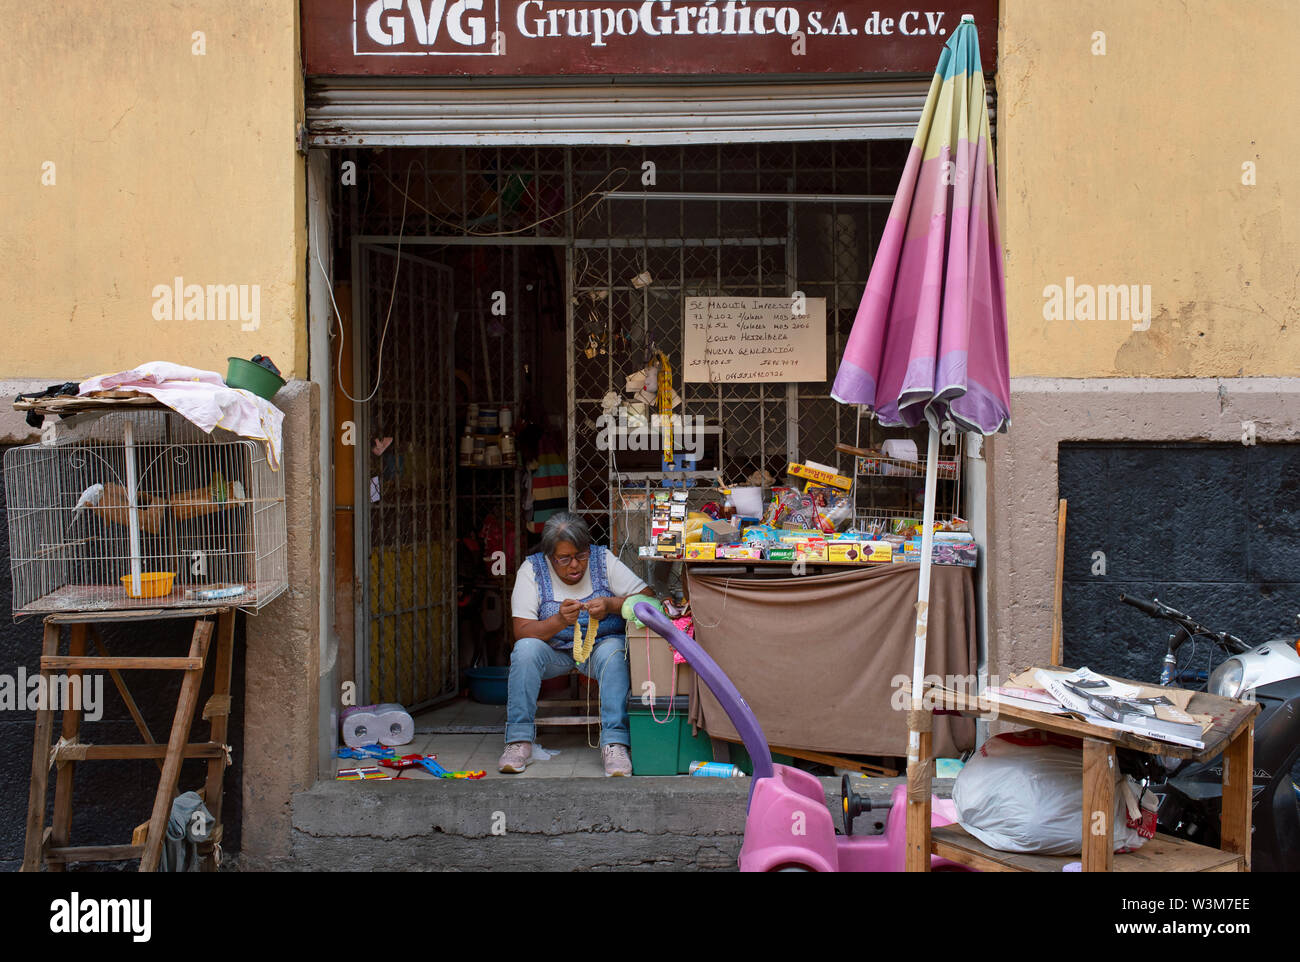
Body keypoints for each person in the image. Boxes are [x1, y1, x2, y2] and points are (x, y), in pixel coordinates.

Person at [500, 512, 653, 776]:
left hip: (599, 649)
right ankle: (518, 740)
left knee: (616, 652)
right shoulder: (532, 569)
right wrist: (558, 621)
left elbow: (647, 599)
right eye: (564, 558)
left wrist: (611, 605)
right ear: (549, 556)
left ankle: (615, 742)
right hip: (554, 652)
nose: (575, 566)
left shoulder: (602, 560)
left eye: (581, 555)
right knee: (525, 650)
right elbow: (522, 630)